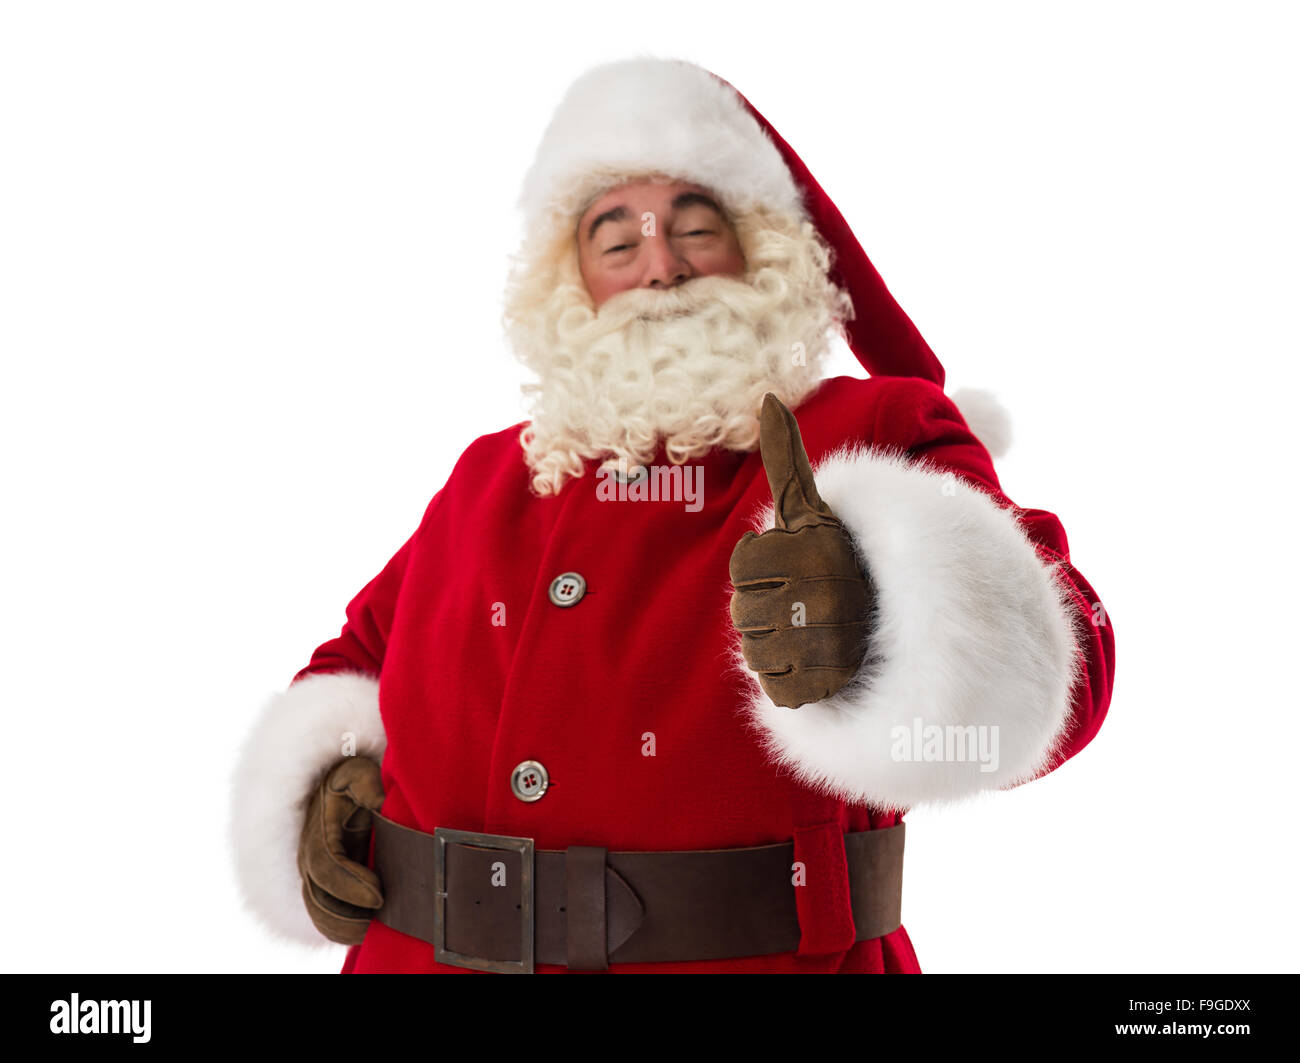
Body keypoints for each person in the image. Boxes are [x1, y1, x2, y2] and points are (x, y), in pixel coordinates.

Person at [228, 56, 1115, 974]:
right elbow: (357, 660)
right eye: (617, 242)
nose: (661, 268)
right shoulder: (492, 475)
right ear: (568, 283)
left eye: (697, 227)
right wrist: (330, 776)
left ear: (766, 252)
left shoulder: (874, 431)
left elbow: (1075, 661)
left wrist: (894, 627)